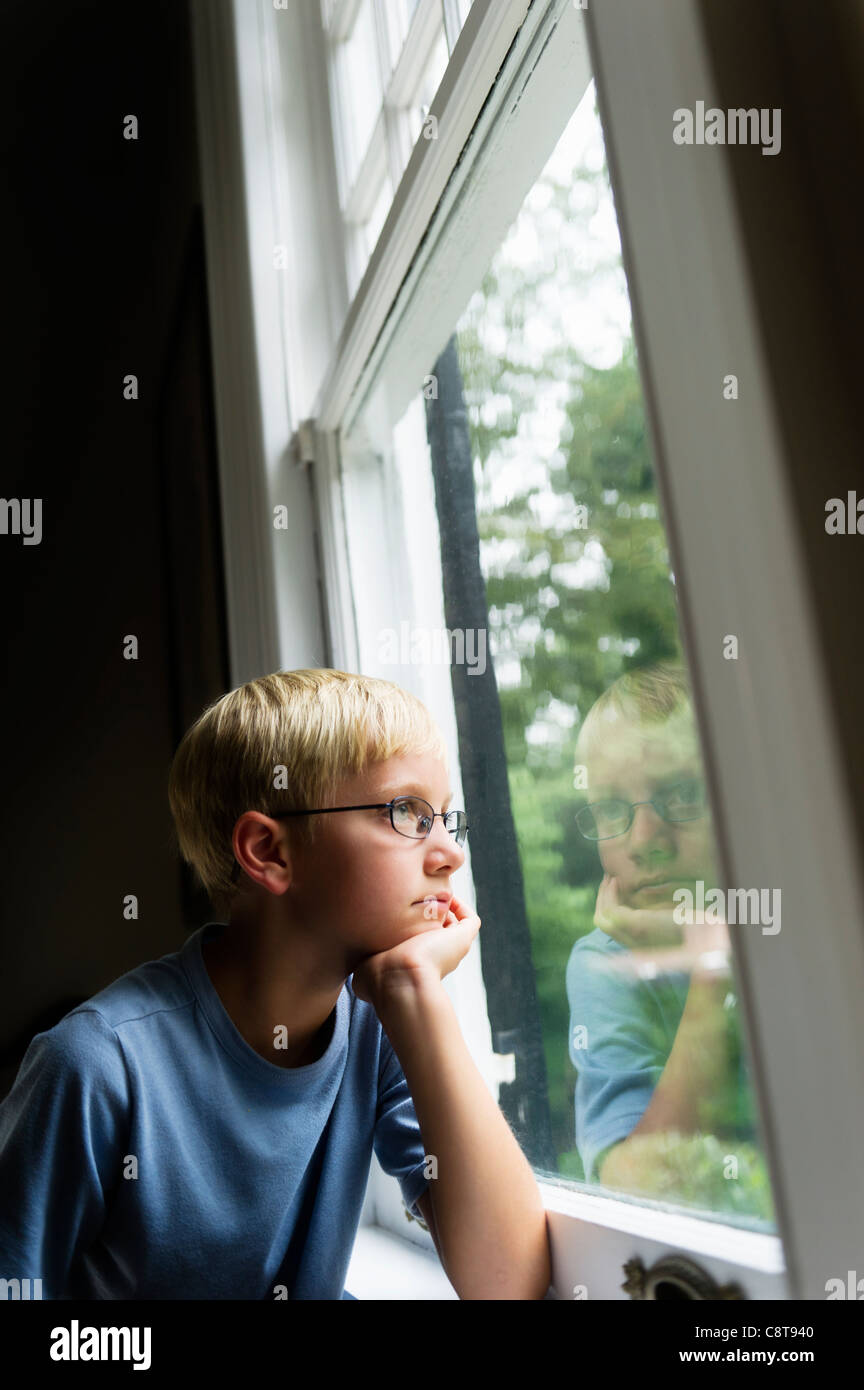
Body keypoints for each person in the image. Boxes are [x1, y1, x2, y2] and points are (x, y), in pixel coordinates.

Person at [0, 669, 550, 1300]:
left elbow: (510, 1286)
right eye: (407, 813)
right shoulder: (97, 1063)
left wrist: (415, 989)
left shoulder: (382, 1023)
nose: (450, 852)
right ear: (269, 852)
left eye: (447, 819)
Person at [566, 662, 757, 1194]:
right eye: (610, 808)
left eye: (682, 795)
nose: (646, 837)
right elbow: (638, 1185)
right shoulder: (604, 961)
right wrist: (709, 974)